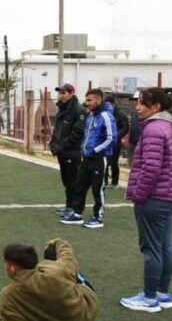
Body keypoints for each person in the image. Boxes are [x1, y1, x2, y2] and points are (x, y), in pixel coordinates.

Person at [120, 87, 172, 313]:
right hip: (170, 196)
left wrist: (139, 196)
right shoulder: (170, 125)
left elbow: (151, 169)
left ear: (156, 107)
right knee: (165, 247)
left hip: (156, 198)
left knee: (151, 249)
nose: (137, 107)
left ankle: (149, 299)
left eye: (141, 103)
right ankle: (162, 294)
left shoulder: (154, 130)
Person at [0, 239, 98, 321]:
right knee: (72, 271)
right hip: (86, 316)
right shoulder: (58, 269)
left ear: (12, 268)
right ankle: (56, 266)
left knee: (60, 270)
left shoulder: (8, 294)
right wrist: (58, 242)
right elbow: (68, 255)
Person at [60, 89, 116, 229]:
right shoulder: (90, 115)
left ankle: (98, 217)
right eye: (87, 100)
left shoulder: (106, 116)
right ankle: (77, 213)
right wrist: (83, 151)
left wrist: (95, 150)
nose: (87, 103)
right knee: (79, 185)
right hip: (86, 158)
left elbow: (112, 138)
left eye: (90, 100)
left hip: (99, 158)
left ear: (99, 100)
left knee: (98, 188)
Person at [49, 84, 86, 217]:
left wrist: (62, 145)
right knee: (66, 180)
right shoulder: (63, 109)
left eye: (64, 93)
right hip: (62, 152)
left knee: (73, 181)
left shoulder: (78, 110)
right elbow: (59, 129)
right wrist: (53, 143)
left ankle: (74, 208)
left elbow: (77, 132)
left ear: (71, 93)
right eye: (60, 93)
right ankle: (69, 205)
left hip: (72, 152)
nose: (61, 95)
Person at [103, 95, 130, 188]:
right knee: (105, 161)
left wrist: (116, 136)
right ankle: (105, 181)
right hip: (104, 142)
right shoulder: (103, 113)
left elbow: (125, 127)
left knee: (114, 162)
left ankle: (115, 181)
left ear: (113, 104)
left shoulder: (120, 115)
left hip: (115, 142)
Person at [126, 91, 142, 168]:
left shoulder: (146, 112)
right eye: (134, 100)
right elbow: (132, 127)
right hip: (132, 143)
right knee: (132, 166)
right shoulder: (134, 112)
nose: (135, 102)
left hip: (141, 143)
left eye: (137, 100)